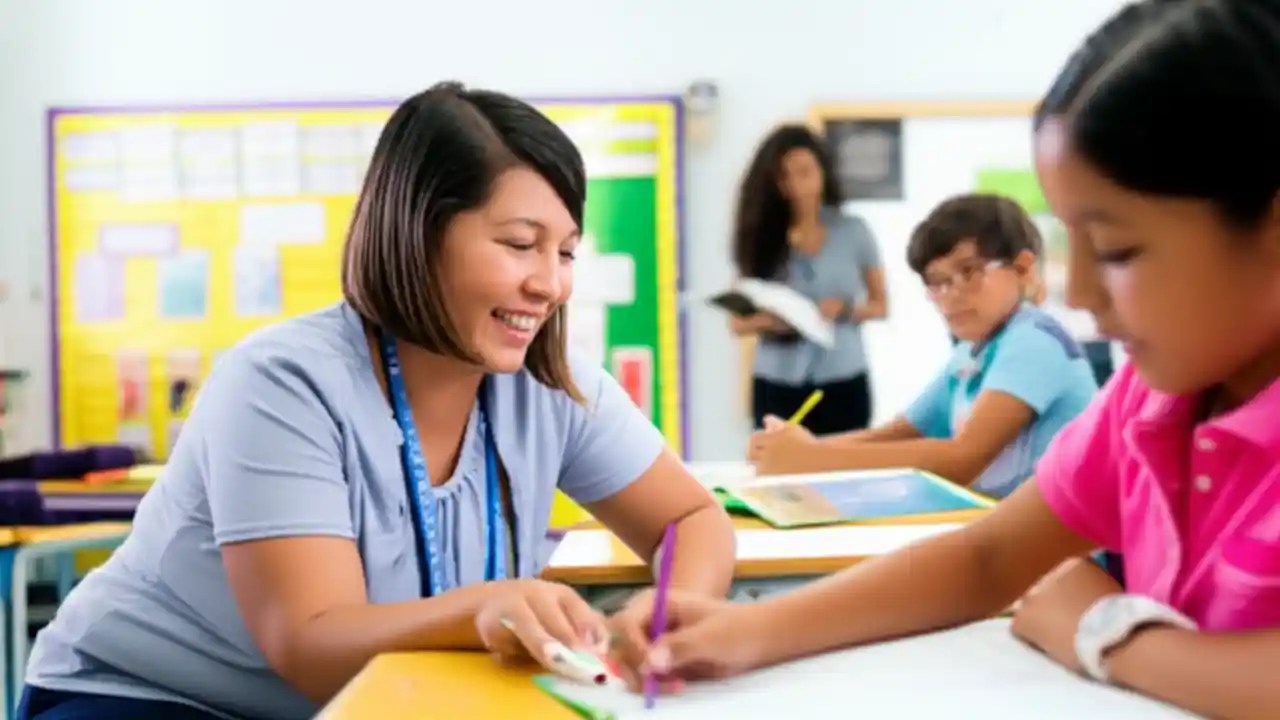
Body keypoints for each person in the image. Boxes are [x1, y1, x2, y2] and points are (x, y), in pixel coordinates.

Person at [610, 2, 1280, 717]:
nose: (1081, 294)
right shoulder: (1145, 403)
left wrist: (1106, 631)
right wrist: (750, 628)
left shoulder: (1044, 347)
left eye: (1116, 251)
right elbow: (986, 558)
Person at [19, 83, 736, 720]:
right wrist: (481, 607)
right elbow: (309, 645)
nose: (550, 284)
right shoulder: (281, 385)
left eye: (567, 252)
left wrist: (673, 618)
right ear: (419, 234)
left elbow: (692, 518)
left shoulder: (547, 384)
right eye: (521, 245)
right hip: (150, 697)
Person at [748, 194, 1098, 501]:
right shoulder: (971, 352)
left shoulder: (1034, 339)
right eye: (937, 282)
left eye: (969, 271)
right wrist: (802, 447)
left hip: (1064, 561)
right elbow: (897, 434)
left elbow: (962, 459)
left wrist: (811, 459)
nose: (951, 294)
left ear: (1022, 269)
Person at [730, 125, 887, 435]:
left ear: (823, 171)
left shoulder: (853, 231)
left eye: (804, 172)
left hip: (843, 378)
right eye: (784, 176)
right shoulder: (760, 237)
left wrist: (842, 310)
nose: (796, 185)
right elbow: (738, 323)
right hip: (777, 382)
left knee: (842, 470)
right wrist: (776, 321)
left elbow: (880, 305)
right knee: (778, 473)